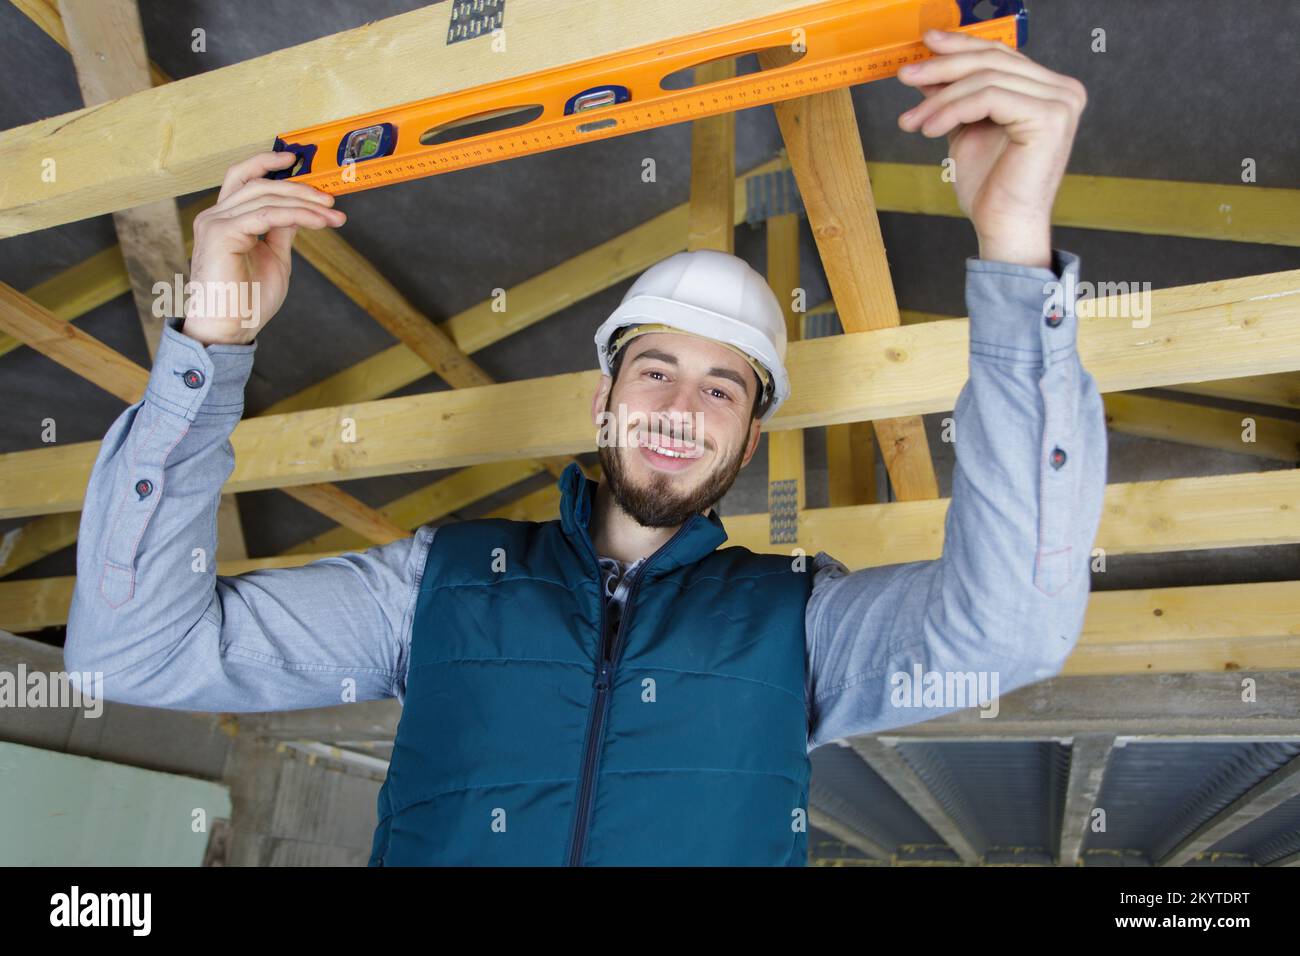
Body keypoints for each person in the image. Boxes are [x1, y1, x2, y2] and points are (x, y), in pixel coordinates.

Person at [65, 29, 1104, 865]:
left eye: (721, 386)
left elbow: (1007, 627)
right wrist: (209, 346)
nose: (680, 404)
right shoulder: (434, 582)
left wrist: (1014, 253)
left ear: (748, 436)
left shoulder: (803, 621)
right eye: (654, 369)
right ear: (604, 396)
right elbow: (134, 651)